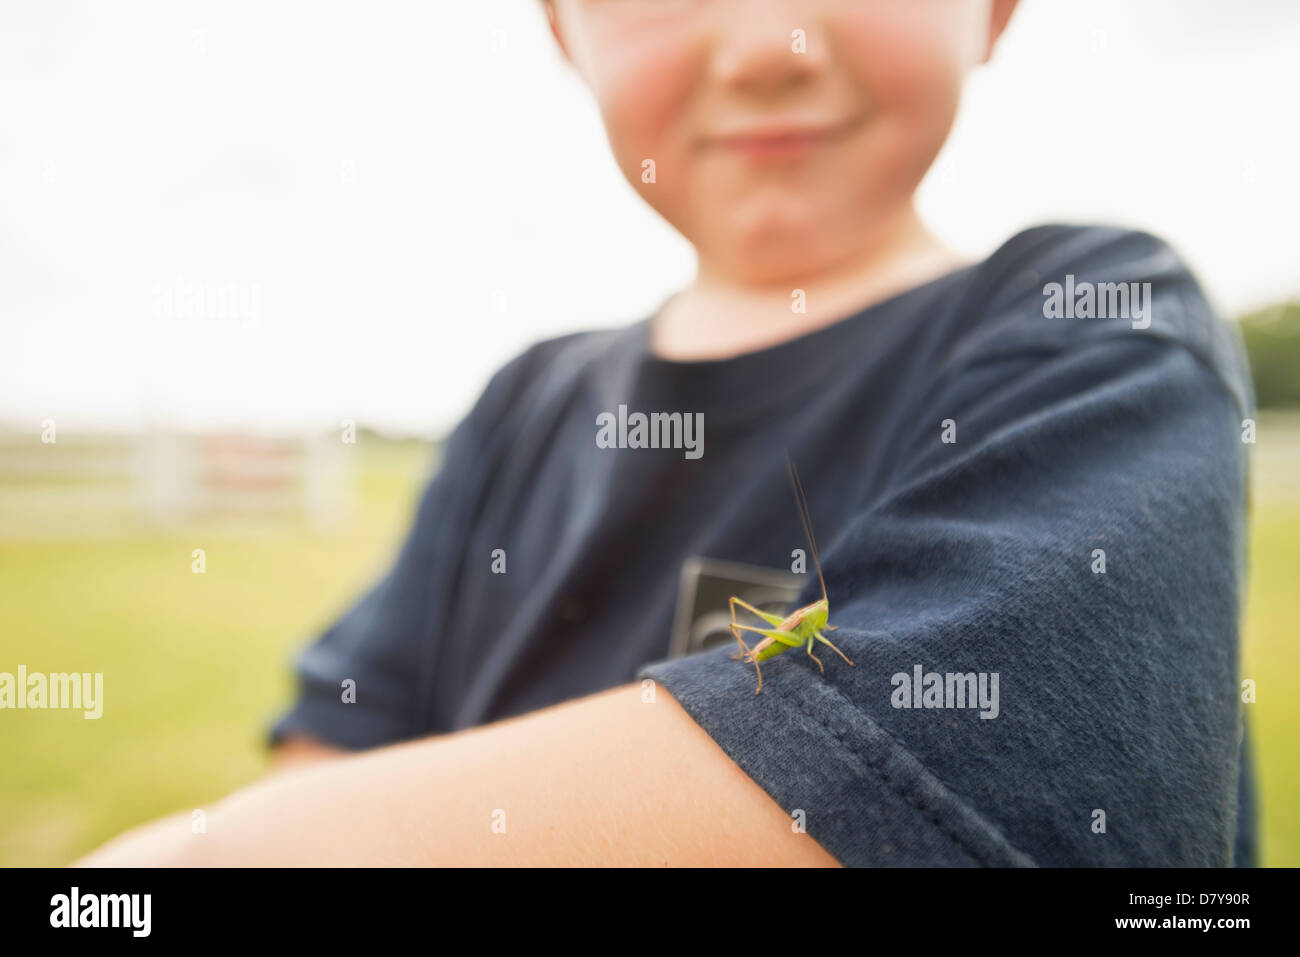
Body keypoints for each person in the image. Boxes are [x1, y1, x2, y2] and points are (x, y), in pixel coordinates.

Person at [76, 0, 1255, 867]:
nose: (766, 48)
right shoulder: (519, 402)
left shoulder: (1093, 315)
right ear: (558, 29)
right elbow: (331, 751)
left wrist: (196, 853)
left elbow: (964, 792)